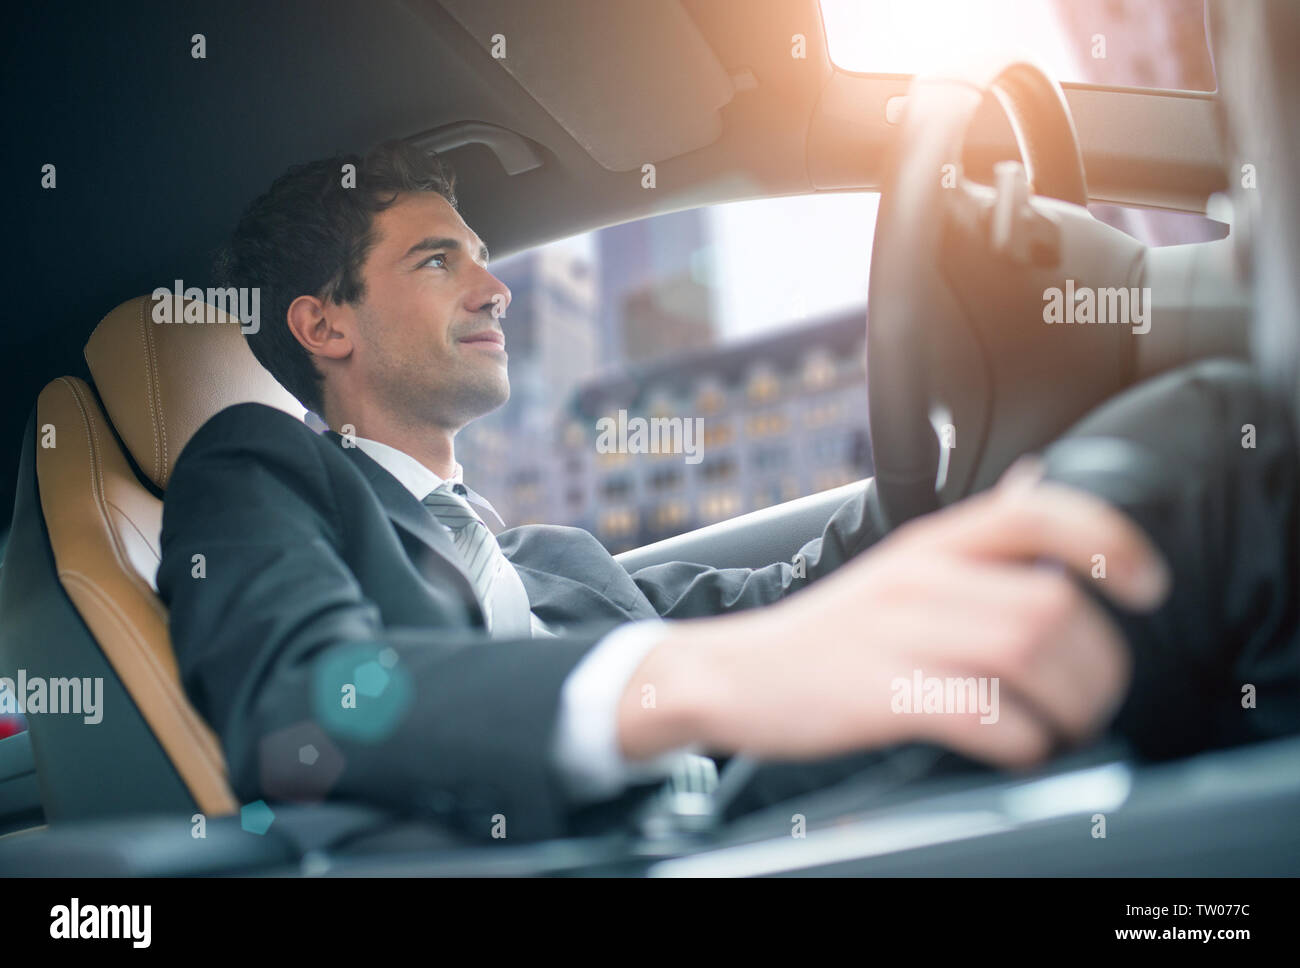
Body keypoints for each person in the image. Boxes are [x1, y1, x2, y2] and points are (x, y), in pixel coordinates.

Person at [158, 0, 1300, 837]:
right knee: (1225, 474)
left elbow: (760, 603)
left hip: (728, 813)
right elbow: (306, 704)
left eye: (485, 256)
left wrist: (969, 459)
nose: (494, 288)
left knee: (1162, 526)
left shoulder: (542, 554)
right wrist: (704, 684)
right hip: (617, 851)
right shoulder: (252, 468)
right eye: (435, 258)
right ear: (324, 326)